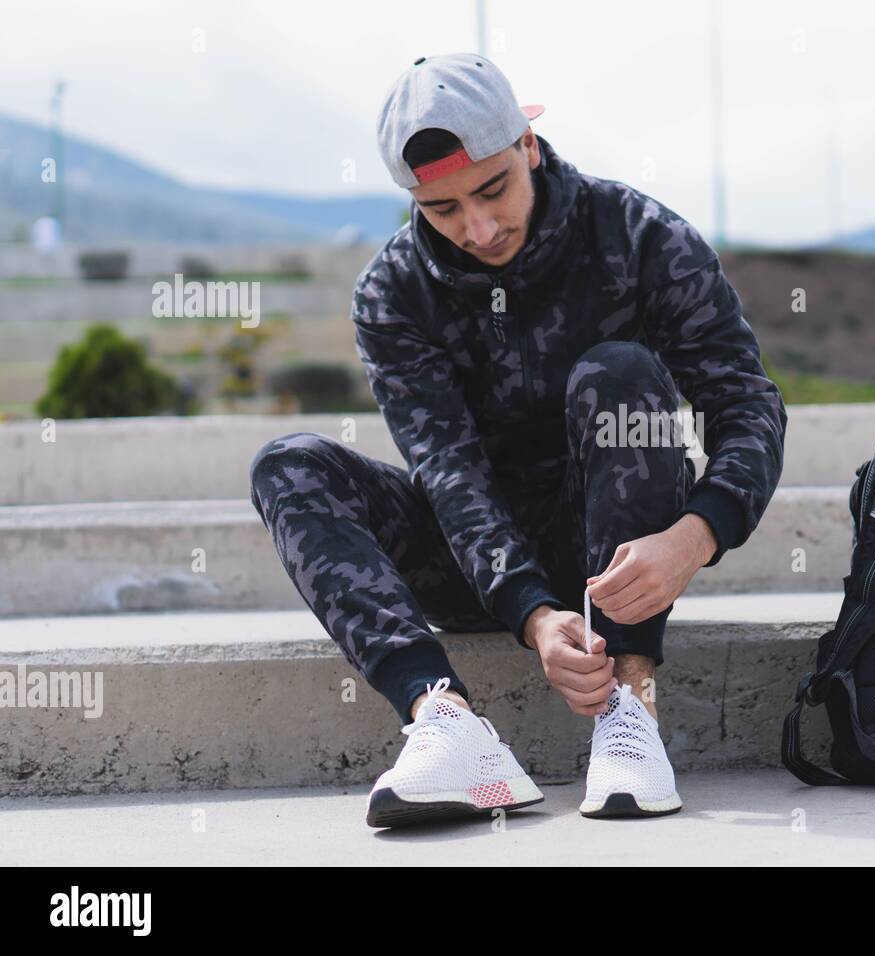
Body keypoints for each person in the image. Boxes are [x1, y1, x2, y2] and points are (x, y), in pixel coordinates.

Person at [248, 52, 787, 828]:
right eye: (441, 209)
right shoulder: (392, 293)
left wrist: (694, 537)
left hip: (621, 554)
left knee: (622, 373)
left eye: (493, 188)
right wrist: (533, 613)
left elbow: (748, 407)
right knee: (289, 465)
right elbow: (448, 472)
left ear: (529, 145)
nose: (479, 227)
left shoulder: (639, 237)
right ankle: (447, 724)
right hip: (477, 567)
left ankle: (628, 715)